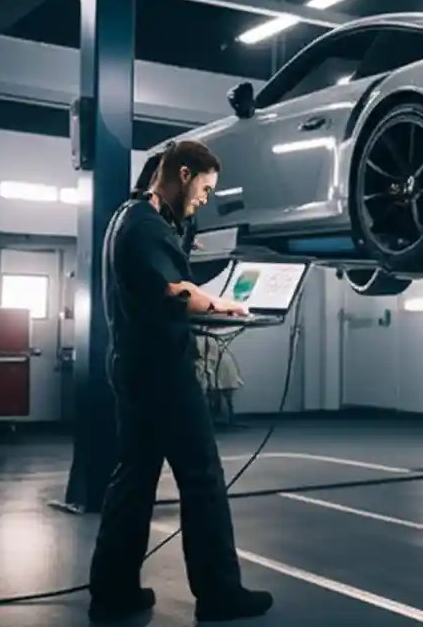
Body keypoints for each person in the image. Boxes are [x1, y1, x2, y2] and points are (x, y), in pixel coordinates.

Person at [87, 139, 273, 623]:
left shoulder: (126, 218)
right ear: (184, 174)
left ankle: (113, 589)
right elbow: (173, 292)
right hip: (162, 373)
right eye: (205, 189)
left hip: (132, 367)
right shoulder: (146, 226)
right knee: (202, 477)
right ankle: (219, 594)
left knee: (134, 477)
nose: (205, 200)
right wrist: (225, 305)